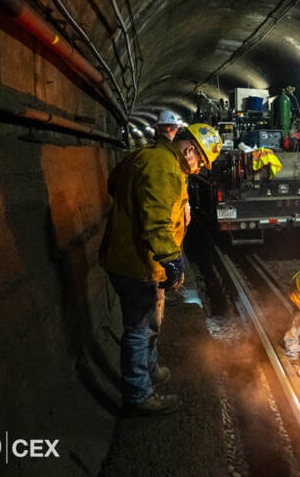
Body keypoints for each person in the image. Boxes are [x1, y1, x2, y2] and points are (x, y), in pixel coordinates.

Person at [100, 123, 222, 416]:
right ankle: (138, 395)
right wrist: (172, 259)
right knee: (141, 328)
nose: (197, 169)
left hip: (124, 256)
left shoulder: (147, 154)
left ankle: (150, 369)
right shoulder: (165, 169)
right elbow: (157, 222)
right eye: (200, 162)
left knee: (150, 321)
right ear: (190, 148)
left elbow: (113, 184)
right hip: (139, 263)